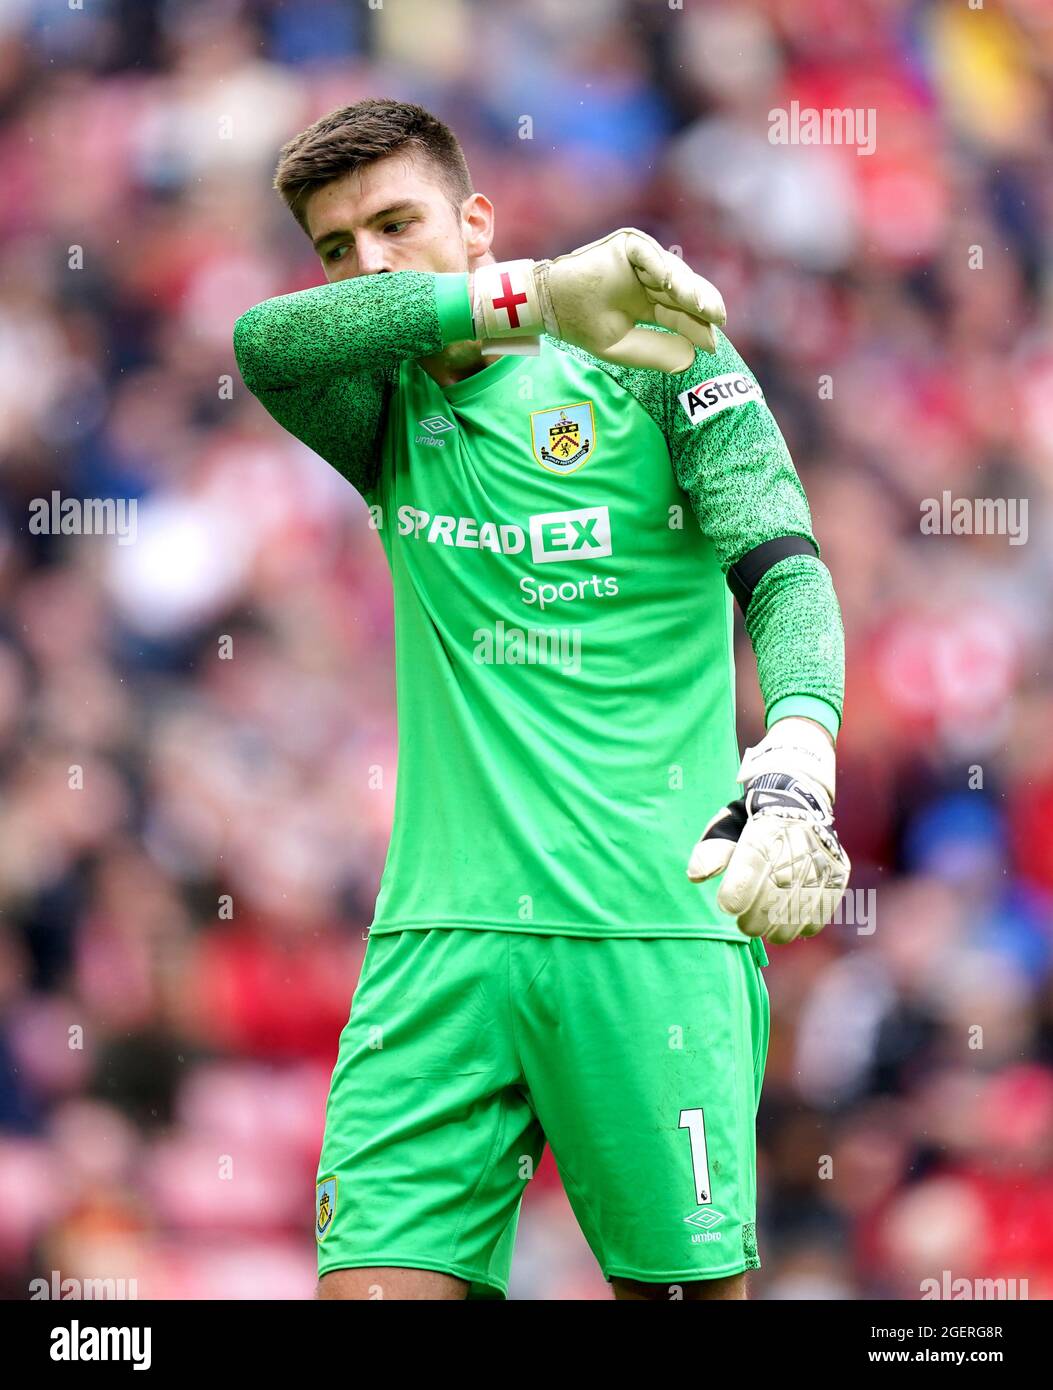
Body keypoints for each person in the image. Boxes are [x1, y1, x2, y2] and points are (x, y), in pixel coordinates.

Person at [233, 98, 850, 1301]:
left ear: (475, 221)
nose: (369, 266)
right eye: (336, 248)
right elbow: (266, 342)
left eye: (397, 224)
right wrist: (527, 296)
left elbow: (785, 572)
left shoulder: (655, 352)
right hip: (438, 943)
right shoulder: (377, 404)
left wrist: (799, 750)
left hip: (648, 922)